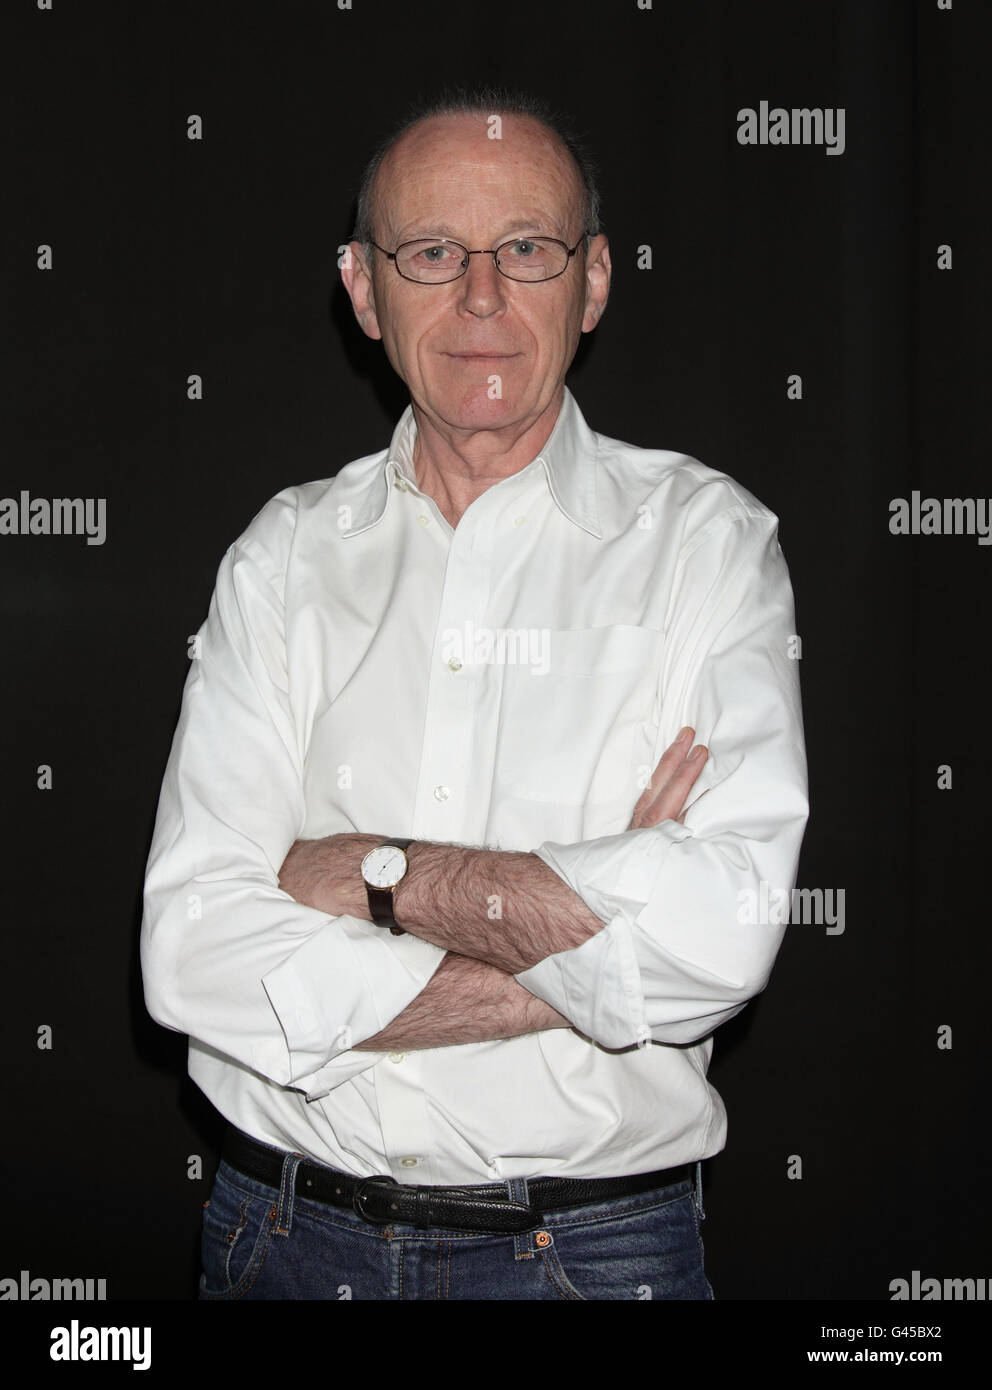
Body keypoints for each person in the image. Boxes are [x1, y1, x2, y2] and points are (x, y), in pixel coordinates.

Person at [140, 86, 809, 1301]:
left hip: (592, 1259)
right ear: (363, 288)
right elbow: (191, 953)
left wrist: (369, 874)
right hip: (277, 1241)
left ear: (593, 280)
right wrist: (587, 949)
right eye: (434, 253)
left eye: (528, 250)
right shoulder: (281, 558)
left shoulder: (708, 545)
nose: (483, 297)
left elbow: (725, 929)